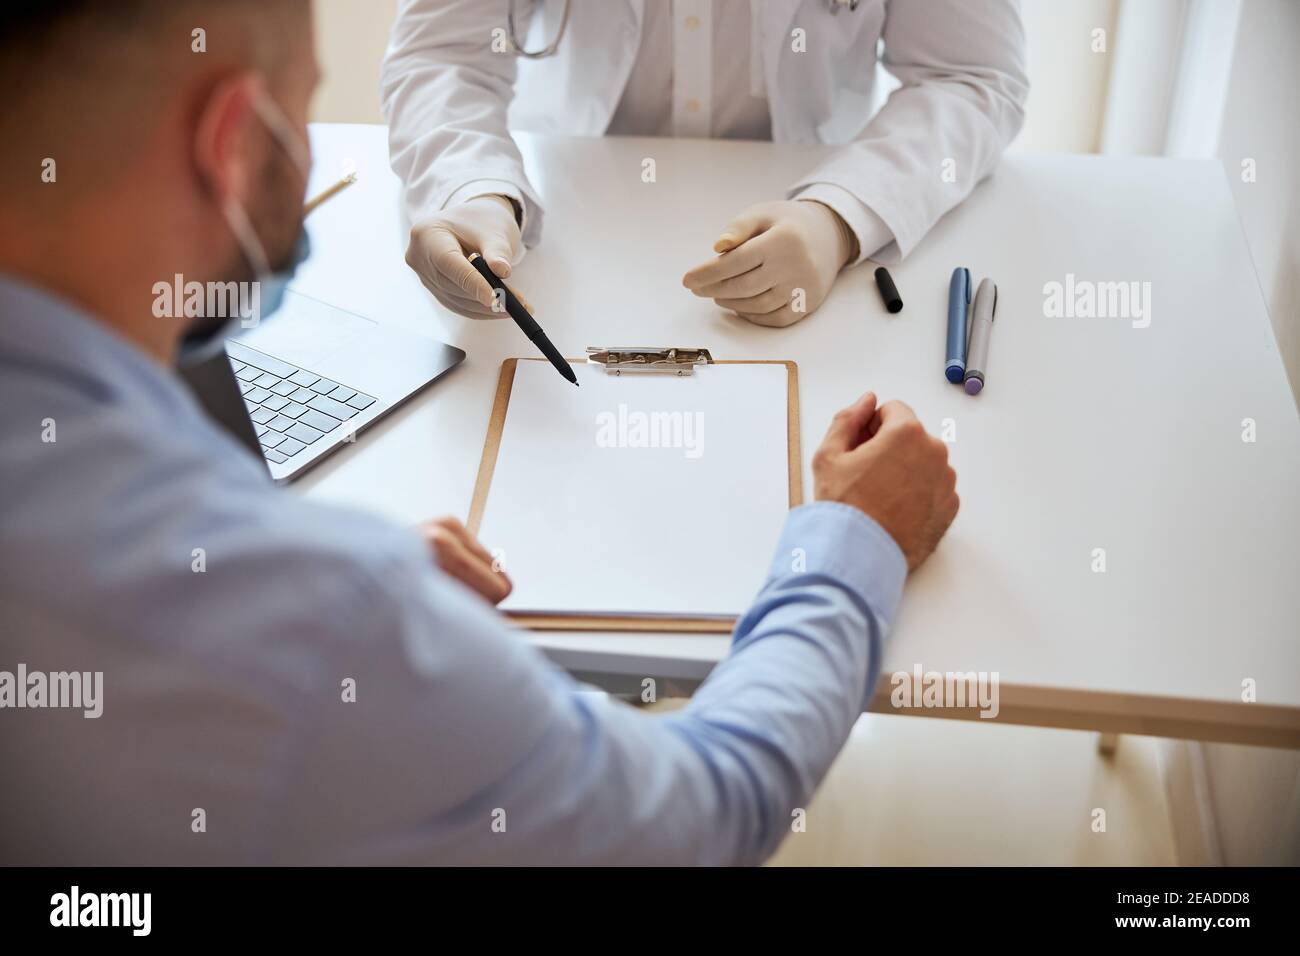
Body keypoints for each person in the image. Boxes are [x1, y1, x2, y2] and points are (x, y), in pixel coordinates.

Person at [0, 0, 957, 865]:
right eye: (306, 112)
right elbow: (701, 818)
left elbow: (971, 72)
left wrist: (841, 215)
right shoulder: (329, 611)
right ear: (235, 141)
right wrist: (855, 541)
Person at [382, 0, 1028, 326]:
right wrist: (471, 187)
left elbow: (970, 75)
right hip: (565, 253)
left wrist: (840, 216)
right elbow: (444, 56)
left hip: (822, 258)